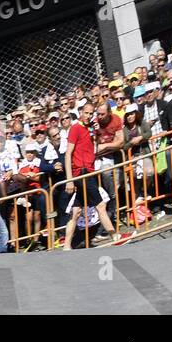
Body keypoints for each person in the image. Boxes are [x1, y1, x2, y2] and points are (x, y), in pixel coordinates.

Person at [63, 102, 129, 248]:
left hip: (89, 170)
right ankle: (115, 236)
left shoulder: (90, 128)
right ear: (81, 112)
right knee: (100, 205)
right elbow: (68, 154)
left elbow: (93, 147)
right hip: (82, 172)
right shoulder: (75, 128)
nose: (88, 116)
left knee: (76, 211)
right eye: (86, 113)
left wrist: (97, 132)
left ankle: (66, 246)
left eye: (91, 113)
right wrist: (69, 180)